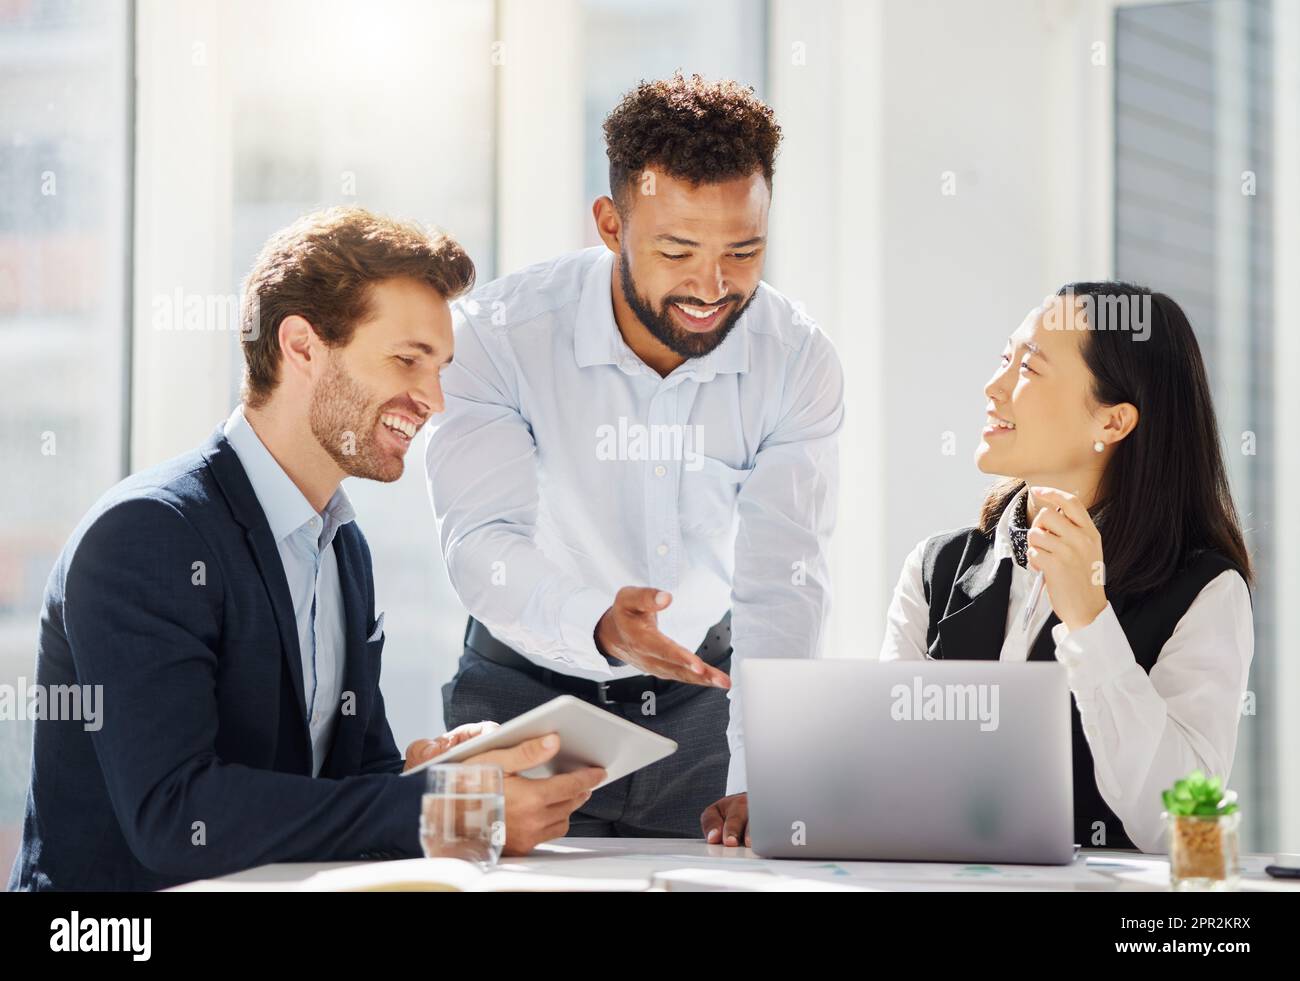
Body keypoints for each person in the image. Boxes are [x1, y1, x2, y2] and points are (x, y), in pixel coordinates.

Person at [9, 207, 603, 891]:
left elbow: (347, 783)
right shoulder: (148, 535)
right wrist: (440, 808)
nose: (434, 400)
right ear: (301, 346)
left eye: (439, 367)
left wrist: (433, 774)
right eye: (408, 359)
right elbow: (176, 816)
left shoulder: (343, 547)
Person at [426, 73, 843, 844]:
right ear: (610, 225)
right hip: (524, 701)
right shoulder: (496, 336)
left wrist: (765, 767)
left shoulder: (796, 359)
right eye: (677, 249)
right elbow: (480, 543)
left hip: (705, 716)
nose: (712, 286)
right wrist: (598, 623)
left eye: (744, 250)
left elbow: (783, 580)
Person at [879, 284, 1253, 852]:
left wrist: (1090, 622)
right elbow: (882, 776)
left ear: (1113, 422)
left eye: (1028, 368)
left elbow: (1178, 829)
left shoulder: (1204, 590)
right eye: (1006, 358)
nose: (993, 386)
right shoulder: (936, 568)